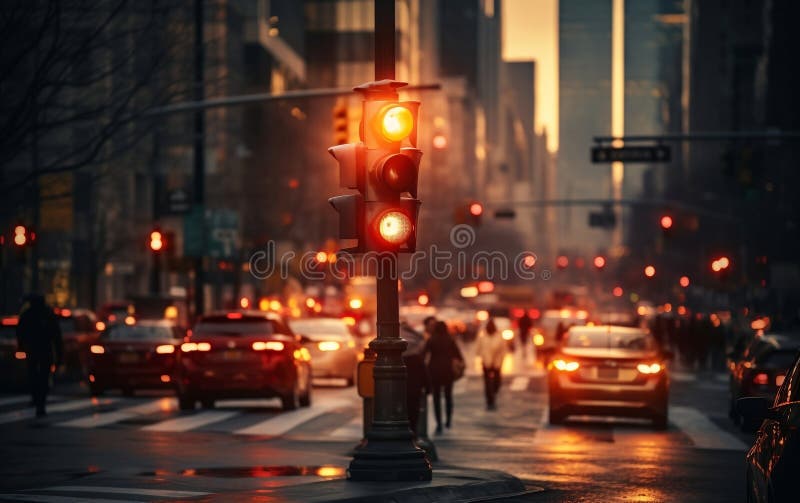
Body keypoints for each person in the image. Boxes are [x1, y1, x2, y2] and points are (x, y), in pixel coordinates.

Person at [16, 294, 63, 417]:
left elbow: (20, 332)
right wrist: (59, 356)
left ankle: (37, 400)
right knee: (42, 377)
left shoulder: (28, 314)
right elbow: (57, 336)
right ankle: (39, 401)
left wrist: (21, 346)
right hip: (43, 350)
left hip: (35, 350)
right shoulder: (46, 314)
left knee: (36, 376)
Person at [424, 321, 464, 433]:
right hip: (448, 370)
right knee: (448, 396)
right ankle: (448, 420)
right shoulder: (450, 340)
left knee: (436, 397)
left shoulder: (431, 339)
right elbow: (459, 356)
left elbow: (424, 354)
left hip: (434, 370)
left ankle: (439, 423)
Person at [400, 321, 430, 437]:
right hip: (415, 389)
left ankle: (404, 432)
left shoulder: (398, 359)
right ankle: (413, 433)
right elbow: (424, 373)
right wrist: (428, 387)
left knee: (401, 411)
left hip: (401, 389)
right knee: (414, 412)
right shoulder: (416, 358)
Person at [474, 317, 507, 410]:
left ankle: (493, 394)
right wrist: (483, 356)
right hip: (486, 363)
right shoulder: (482, 337)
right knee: (487, 383)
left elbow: (503, 350)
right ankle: (490, 401)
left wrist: (500, 360)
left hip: (497, 363)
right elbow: (478, 349)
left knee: (497, 382)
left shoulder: (499, 337)